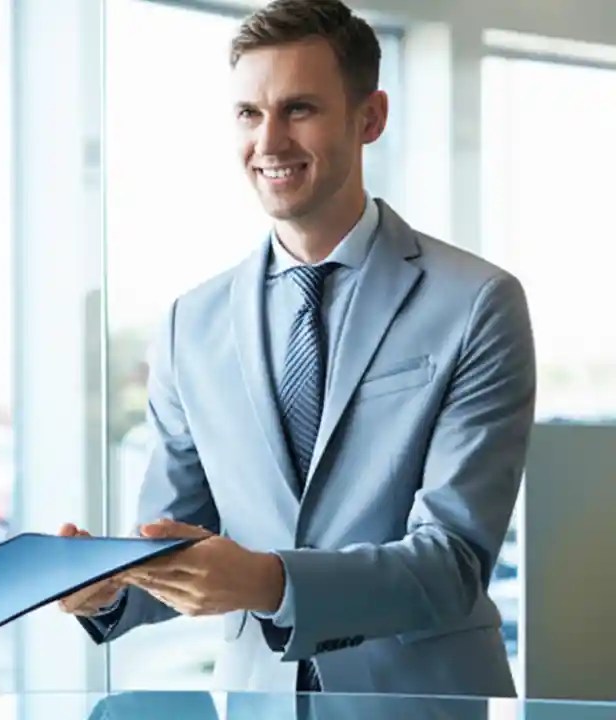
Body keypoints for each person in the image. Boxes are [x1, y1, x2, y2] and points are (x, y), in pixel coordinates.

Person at [58, 0, 535, 697]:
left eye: (299, 109)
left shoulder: (476, 302)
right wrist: (108, 587)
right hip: (257, 703)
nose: (270, 140)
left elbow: (452, 561)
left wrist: (270, 581)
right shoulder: (191, 323)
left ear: (370, 118)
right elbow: (180, 545)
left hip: (422, 703)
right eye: (249, 113)